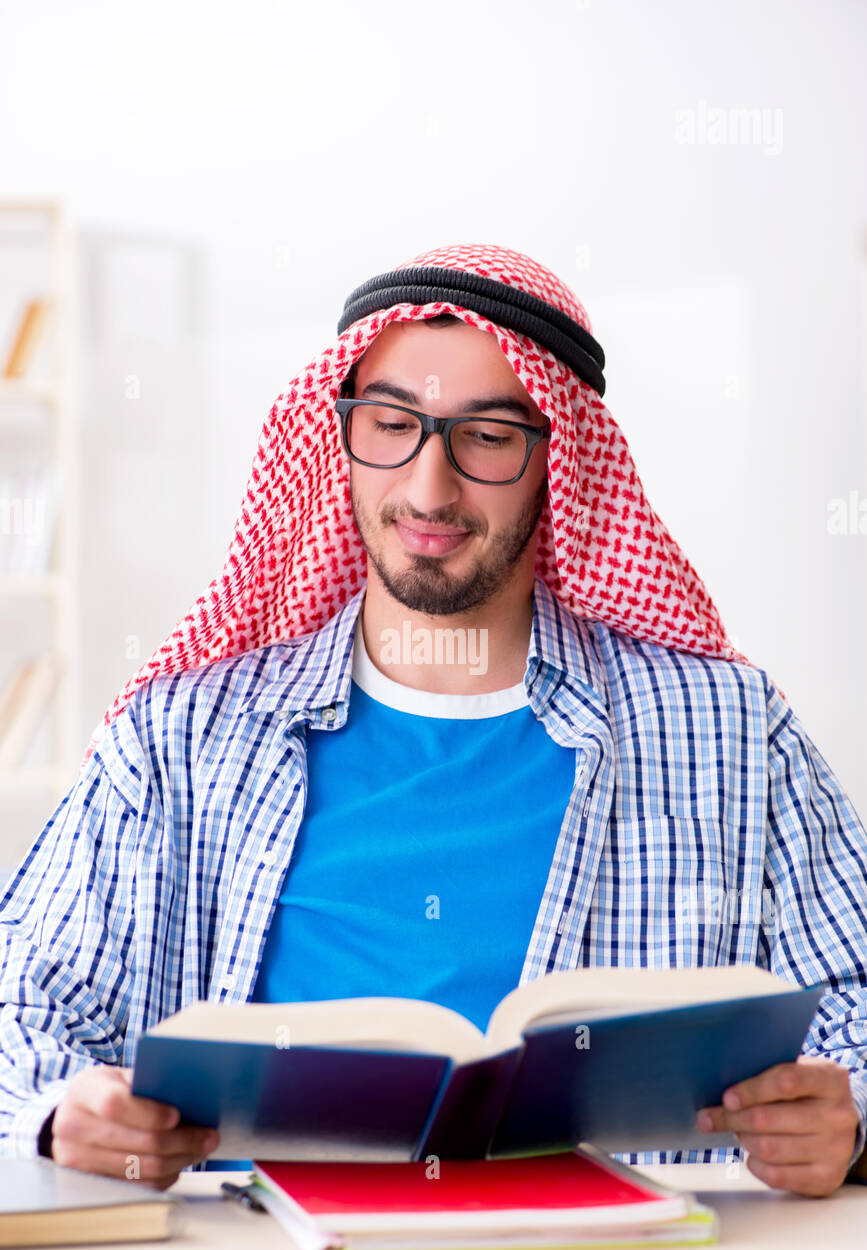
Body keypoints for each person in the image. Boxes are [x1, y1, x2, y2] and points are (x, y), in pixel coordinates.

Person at [1, 244, 866, 1197]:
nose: (427, 489)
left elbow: (855, 1009)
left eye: (486, 437)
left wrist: (849, 1117)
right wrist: (60, 1112)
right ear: (341, 435)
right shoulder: (179, 739)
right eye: (391, 425)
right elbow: (22, 1001)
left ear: (560, 462)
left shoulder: (731, 738)